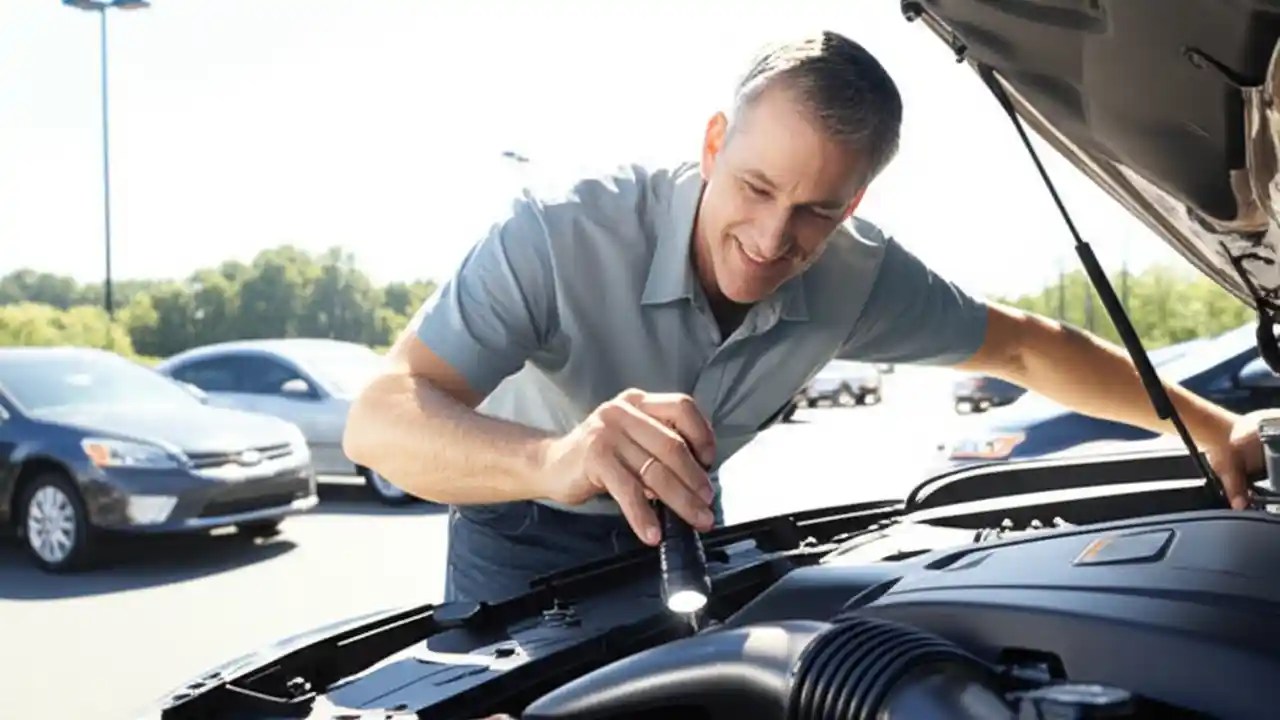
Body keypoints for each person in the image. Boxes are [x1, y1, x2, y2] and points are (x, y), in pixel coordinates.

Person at [343, 31, 1274, 604]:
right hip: (516, 535)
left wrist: (1212, 424)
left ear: (859, 199)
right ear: (713, 143)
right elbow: (380, 417)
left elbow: (1029, 346)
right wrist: (553, 458)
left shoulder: (859, 278)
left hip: (690, 527)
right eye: (753, 186)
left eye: (818, 211)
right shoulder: (555, 234)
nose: (771, 238)